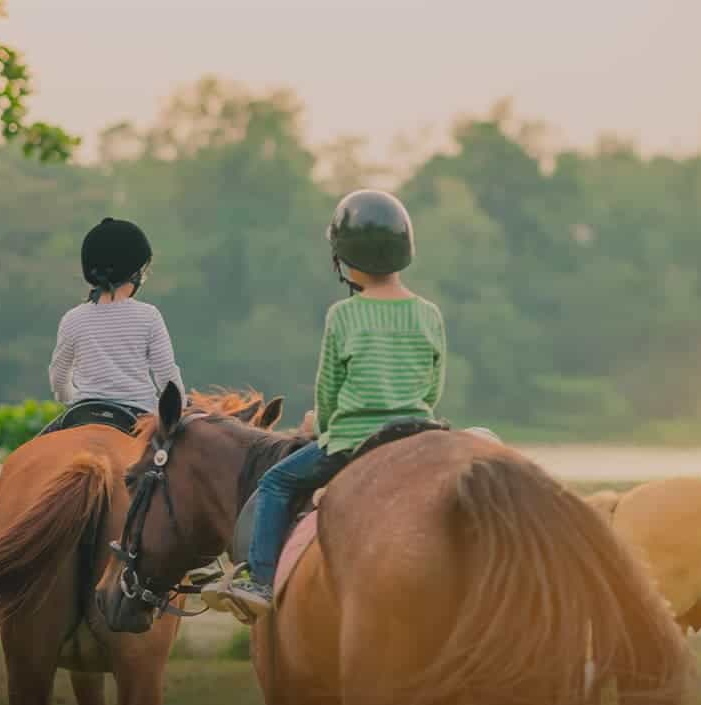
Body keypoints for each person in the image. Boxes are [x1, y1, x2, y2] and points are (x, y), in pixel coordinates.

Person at [203, 189, 447, 618]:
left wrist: (322, 422)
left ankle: (258, 581)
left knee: (276, 484)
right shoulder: (429, 314)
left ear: (345, 260)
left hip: (355, 441)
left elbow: (329, 389)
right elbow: (432, 389)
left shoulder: (344, 315)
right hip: (418, 439)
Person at [48, 217, 185, 417]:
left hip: (83, 413)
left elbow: (59, 379)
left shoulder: (73, 319)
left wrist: (73, 400)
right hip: (140, 415)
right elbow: (167, 377)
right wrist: (181, 410)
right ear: (136, 273)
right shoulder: (149, 316)